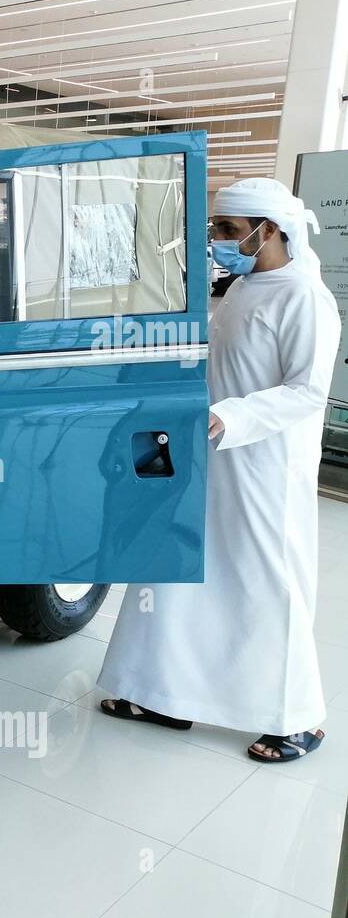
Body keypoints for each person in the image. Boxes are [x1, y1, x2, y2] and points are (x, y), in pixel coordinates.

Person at [98, 178, 341, 762]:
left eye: (228, 231)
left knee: (265, 579)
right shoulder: (243, 288)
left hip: (263, 465)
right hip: (206, 450)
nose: (218, 241)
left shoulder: (306, 298)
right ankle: (162, 693)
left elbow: (308, 393)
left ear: (272, 230)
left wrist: (229, 419)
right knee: (177, 570)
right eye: (216, 230)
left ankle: (297, 717)